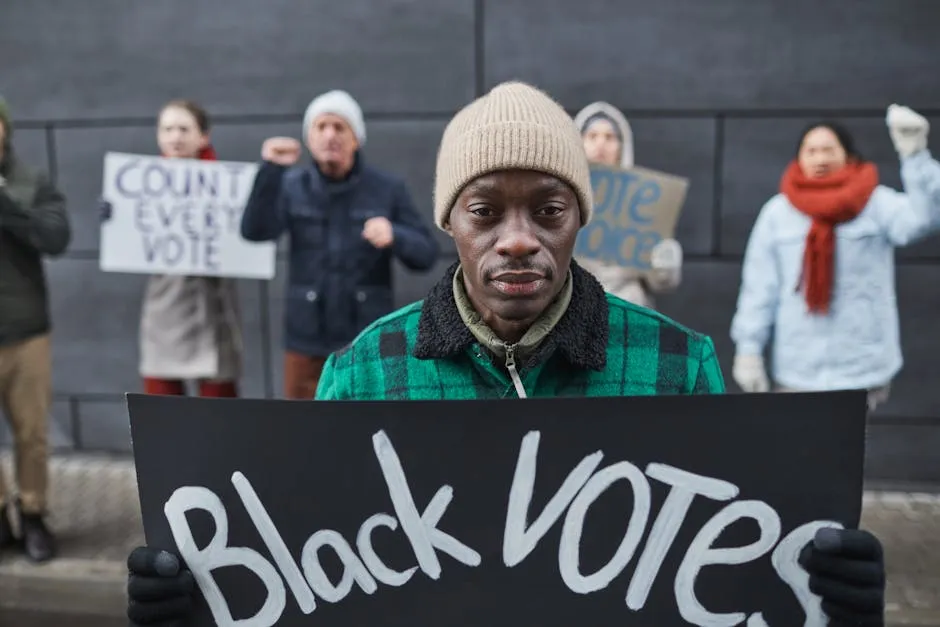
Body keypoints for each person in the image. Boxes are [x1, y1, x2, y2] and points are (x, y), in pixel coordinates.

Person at [124, 83, 886, 626]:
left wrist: (821, 598)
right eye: (485, 210)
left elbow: (729, 570)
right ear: (451, 220)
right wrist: (198, 600)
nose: (517, 237)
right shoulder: (364, 368)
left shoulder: (677, 365)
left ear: (579, 218)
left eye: (548, 210)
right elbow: (307, 583)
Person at [731, 105, 940, 412]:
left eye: (828, 149)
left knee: (851, 455)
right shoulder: (778, 213)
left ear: (847, 155)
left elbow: (923, 219)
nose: (820, 158)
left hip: (862, 368)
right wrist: (748, 349)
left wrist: (915, 156)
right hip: (797, 368)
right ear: (799, 157)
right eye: (811, 150)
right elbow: (759, 287)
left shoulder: (876, 203)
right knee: (798, 454)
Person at [239, 89, 439, 399]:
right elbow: (255, 231)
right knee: (304, 431)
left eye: (339, 127)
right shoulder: (292, 186)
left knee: (366, 429)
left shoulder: (386, 189)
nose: (330, 135)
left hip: (366, 340)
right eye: (321, 127)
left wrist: (395, 235)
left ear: (356, 138)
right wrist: (270, 171)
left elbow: (426, 254)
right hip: (307, 341)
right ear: (309, 138)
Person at [101, 100, 243, 399]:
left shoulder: (228, 184)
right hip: (165, 310)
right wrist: (115, 215)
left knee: (219, 413)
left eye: (183, 128)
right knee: (162, 409)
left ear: (203, 136)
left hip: (214, 312)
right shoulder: (141, 188)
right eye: (167, 129)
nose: (175, 137)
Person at [0, 94, 70, 562]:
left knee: (31, 432)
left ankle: (34, 514)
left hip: (25, 330)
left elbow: (55, 237)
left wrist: (6, 206)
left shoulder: (30, 182)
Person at [572, 101, 683, 309]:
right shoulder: (563, 201)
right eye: (592, 136)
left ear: (622, 145)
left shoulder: (643, 204)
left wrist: (665, 264)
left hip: (630, 315)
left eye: (610, 137)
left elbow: (661, 282)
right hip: (578, 313)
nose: (601, 144)